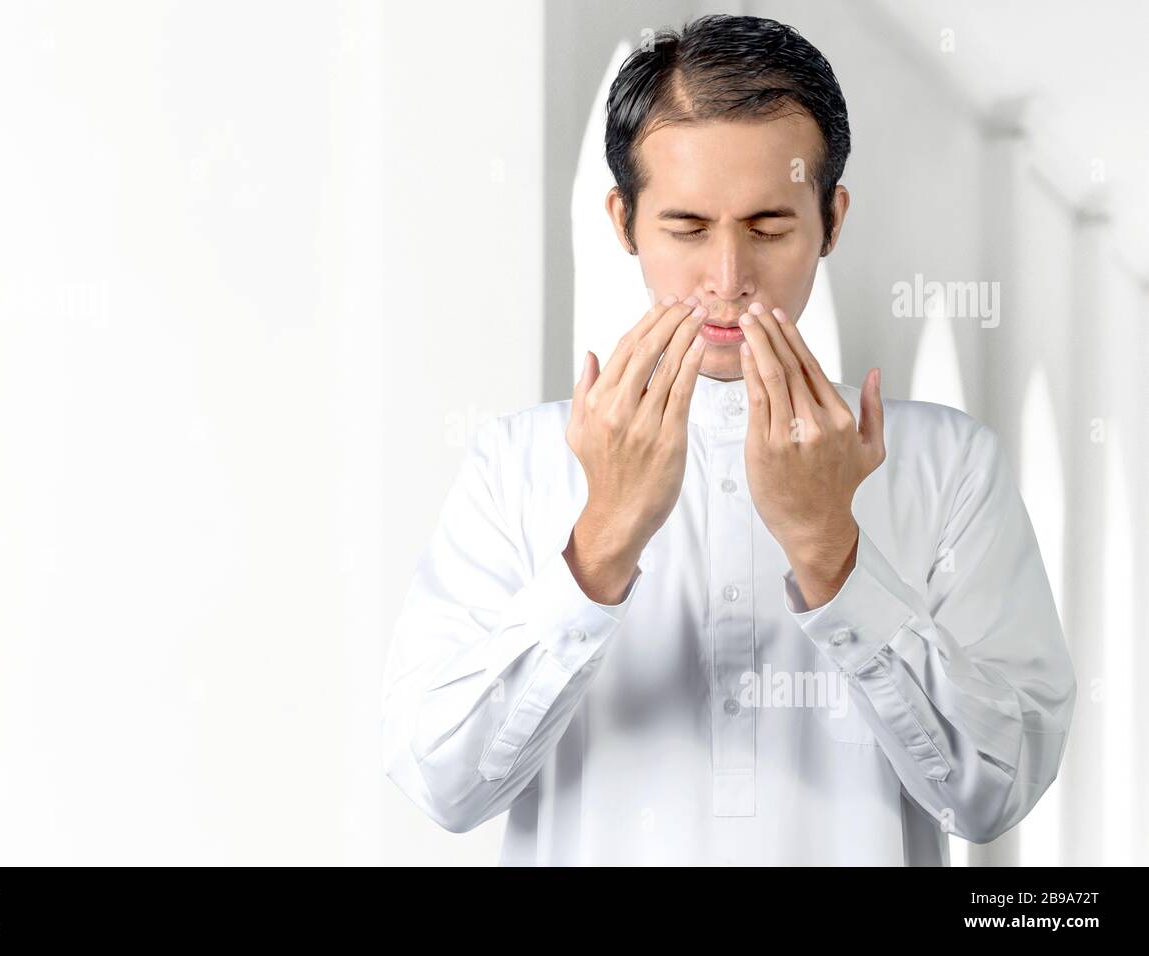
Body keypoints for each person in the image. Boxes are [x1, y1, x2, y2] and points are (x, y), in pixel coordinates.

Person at [380, 13, 1077, 865]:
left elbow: (994, 795)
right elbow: (443, 785)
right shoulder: (517, 464)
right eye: (685, 228)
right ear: (623, 221)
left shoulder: (948, 465)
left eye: (769, 227)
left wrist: (833, 552)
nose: (727, 279)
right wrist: (602, 540)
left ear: (832, 219)